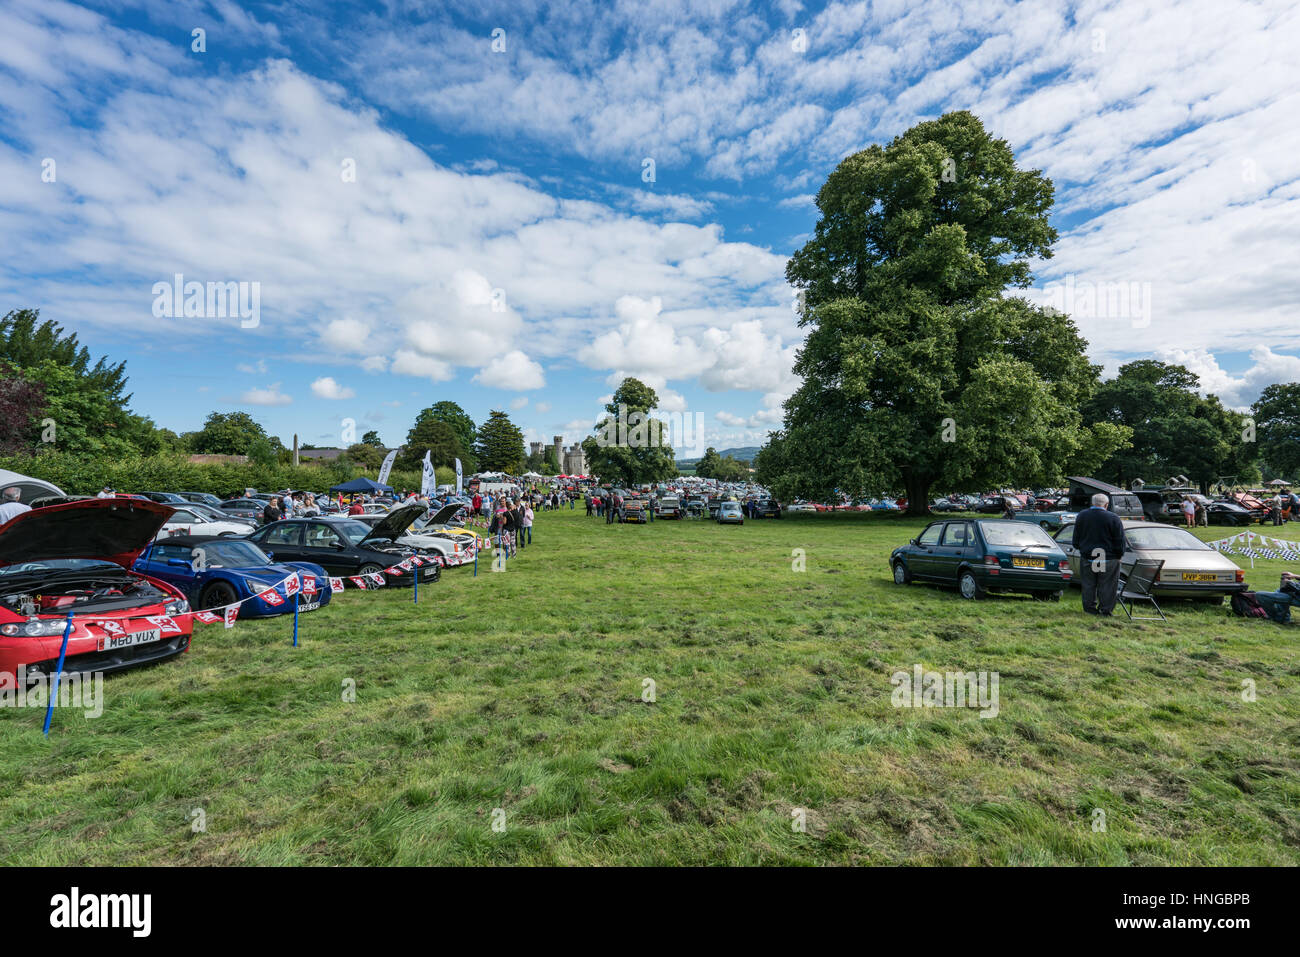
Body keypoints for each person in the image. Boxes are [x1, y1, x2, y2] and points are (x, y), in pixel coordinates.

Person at [1071, 493, 1125, 617]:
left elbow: (1076, 538)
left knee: (1089, 584)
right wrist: (1119, 554)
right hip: (1108, 557)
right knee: (1107, 585)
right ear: (1106, 505)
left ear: (1092, 503)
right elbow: (1119, 539)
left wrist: (1081, 548)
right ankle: (1105, 610)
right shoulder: (1113, 518)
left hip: (1088, 556)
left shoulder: (1082, 516)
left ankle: (1089, 609)